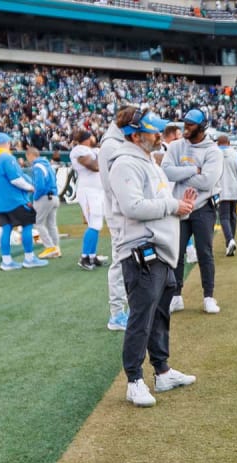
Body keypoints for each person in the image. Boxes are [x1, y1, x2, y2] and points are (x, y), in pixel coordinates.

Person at [108, 111, 198, 408]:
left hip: (161, 248)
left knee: (159, 314)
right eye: (152, 132)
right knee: (141, 317)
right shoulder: (125, 164)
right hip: (143, 250)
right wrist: (174, 206)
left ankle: (162, 371)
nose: (159, 135)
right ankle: (134, 380)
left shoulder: (146, 160)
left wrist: (179, 206)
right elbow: (133, 206)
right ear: (136, 135)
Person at [163, 108, 223, 314]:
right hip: (179, 206)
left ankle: (209, 297)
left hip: (202, 207)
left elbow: (207, 182)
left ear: (202, 126)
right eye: (184, 123)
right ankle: (176, 296)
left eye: (190, 124)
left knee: (205, 252)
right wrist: (192, 170)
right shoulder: (176, 146)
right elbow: (166, 171)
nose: (185, 128)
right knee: (176, 253)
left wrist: (180, 173)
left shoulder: (213, 151)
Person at [100, 106, 136, 332]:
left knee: (127, 259)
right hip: (118, 212)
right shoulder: (111, 145)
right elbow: (110, 185)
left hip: (123, 211)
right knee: (119, 261)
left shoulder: (117, 142)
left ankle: (125, 308)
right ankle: (116, 313)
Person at [0, 133, 47, 271]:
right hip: (13, 200)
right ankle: (29, 258)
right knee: (27, 224)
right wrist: (30, 187)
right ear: (8, 143)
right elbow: (15, 179)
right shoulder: (7, 158)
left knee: (6, 228)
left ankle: (6, 261)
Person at [70, 129, 108, 270]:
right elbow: (94, 166)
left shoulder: (91, 150)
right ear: (87, 138)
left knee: (97, 224)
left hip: (96, 191)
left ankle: (92, 255)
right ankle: (85, 257)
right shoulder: (79, 150)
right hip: (88, 191)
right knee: (94, 224)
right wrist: (101, 156)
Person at [215, 133, 237, 256]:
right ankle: (230, 242)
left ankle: (230, 240)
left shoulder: (214, 154)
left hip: (220, 189)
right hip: (235, 190)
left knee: (224, 217)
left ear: (217, 144)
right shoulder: (236, 155)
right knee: (232, 215)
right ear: (229, 143)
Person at [26, 146, 60, 260]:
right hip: (54, 196)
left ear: (31, 155)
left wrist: (35, 197)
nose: (28, 160)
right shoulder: (47, 164)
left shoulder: (37, 166)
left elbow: (39, 185)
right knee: (51, 224)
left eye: (27, 157)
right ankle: (56, 248)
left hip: (45, 197)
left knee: (38, 223)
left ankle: (50, 247)